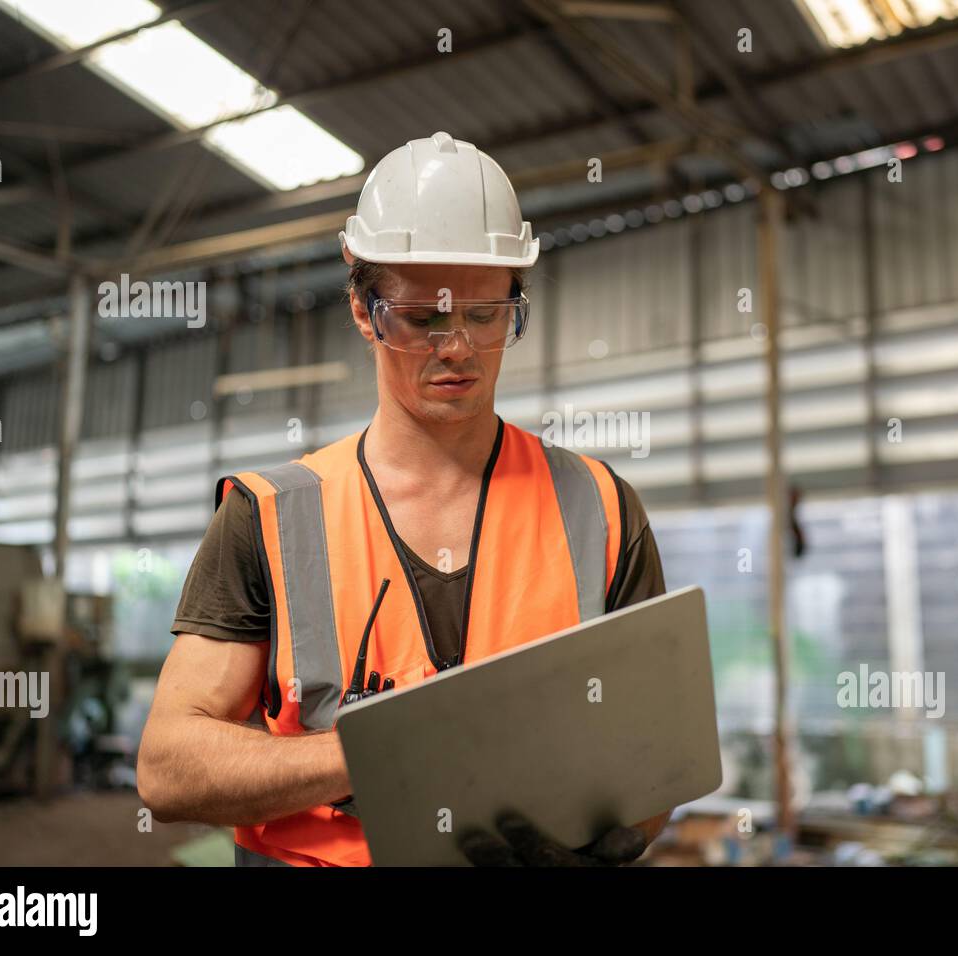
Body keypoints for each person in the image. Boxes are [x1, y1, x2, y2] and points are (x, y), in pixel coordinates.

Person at [137, 132, 672, 866]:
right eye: (422, 318)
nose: (457, 347)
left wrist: (607, 834)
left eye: (484, 314)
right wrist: (382, 753)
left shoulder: (600, 508)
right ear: (364, 310)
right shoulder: (269, 518)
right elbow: (168, 769)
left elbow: (655, 758)